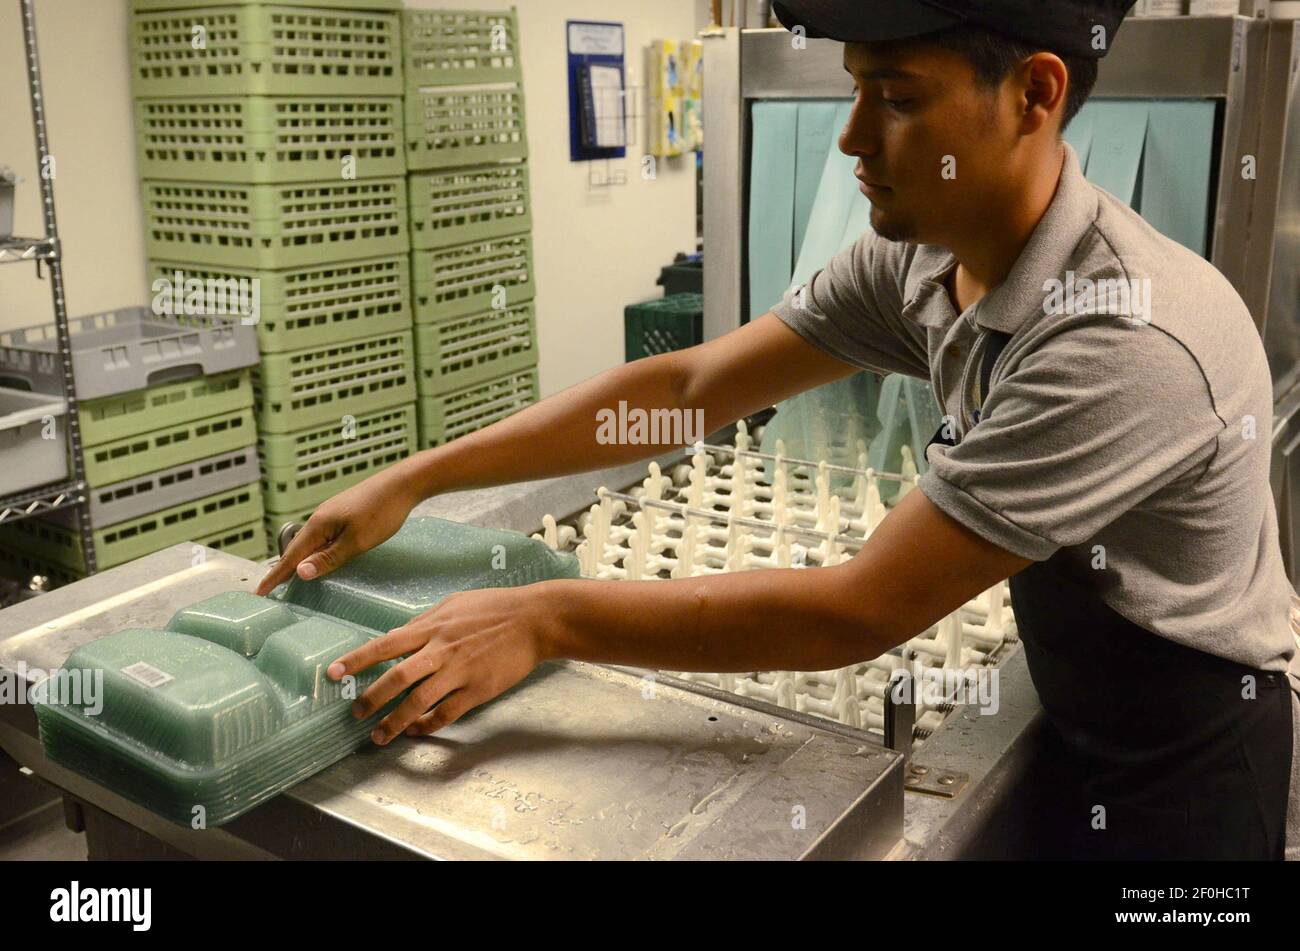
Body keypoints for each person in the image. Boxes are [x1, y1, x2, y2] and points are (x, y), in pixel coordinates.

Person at [258, 0, 1298, 860]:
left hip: (1188, 757)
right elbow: (691, 386)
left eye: (897, 99)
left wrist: (544, 618)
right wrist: (423, 476)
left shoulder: (1120, 339)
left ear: (1034, 93)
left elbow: (855, 611)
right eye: (855, 90)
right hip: (1073, 701)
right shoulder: (923, 256)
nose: (852, 138)